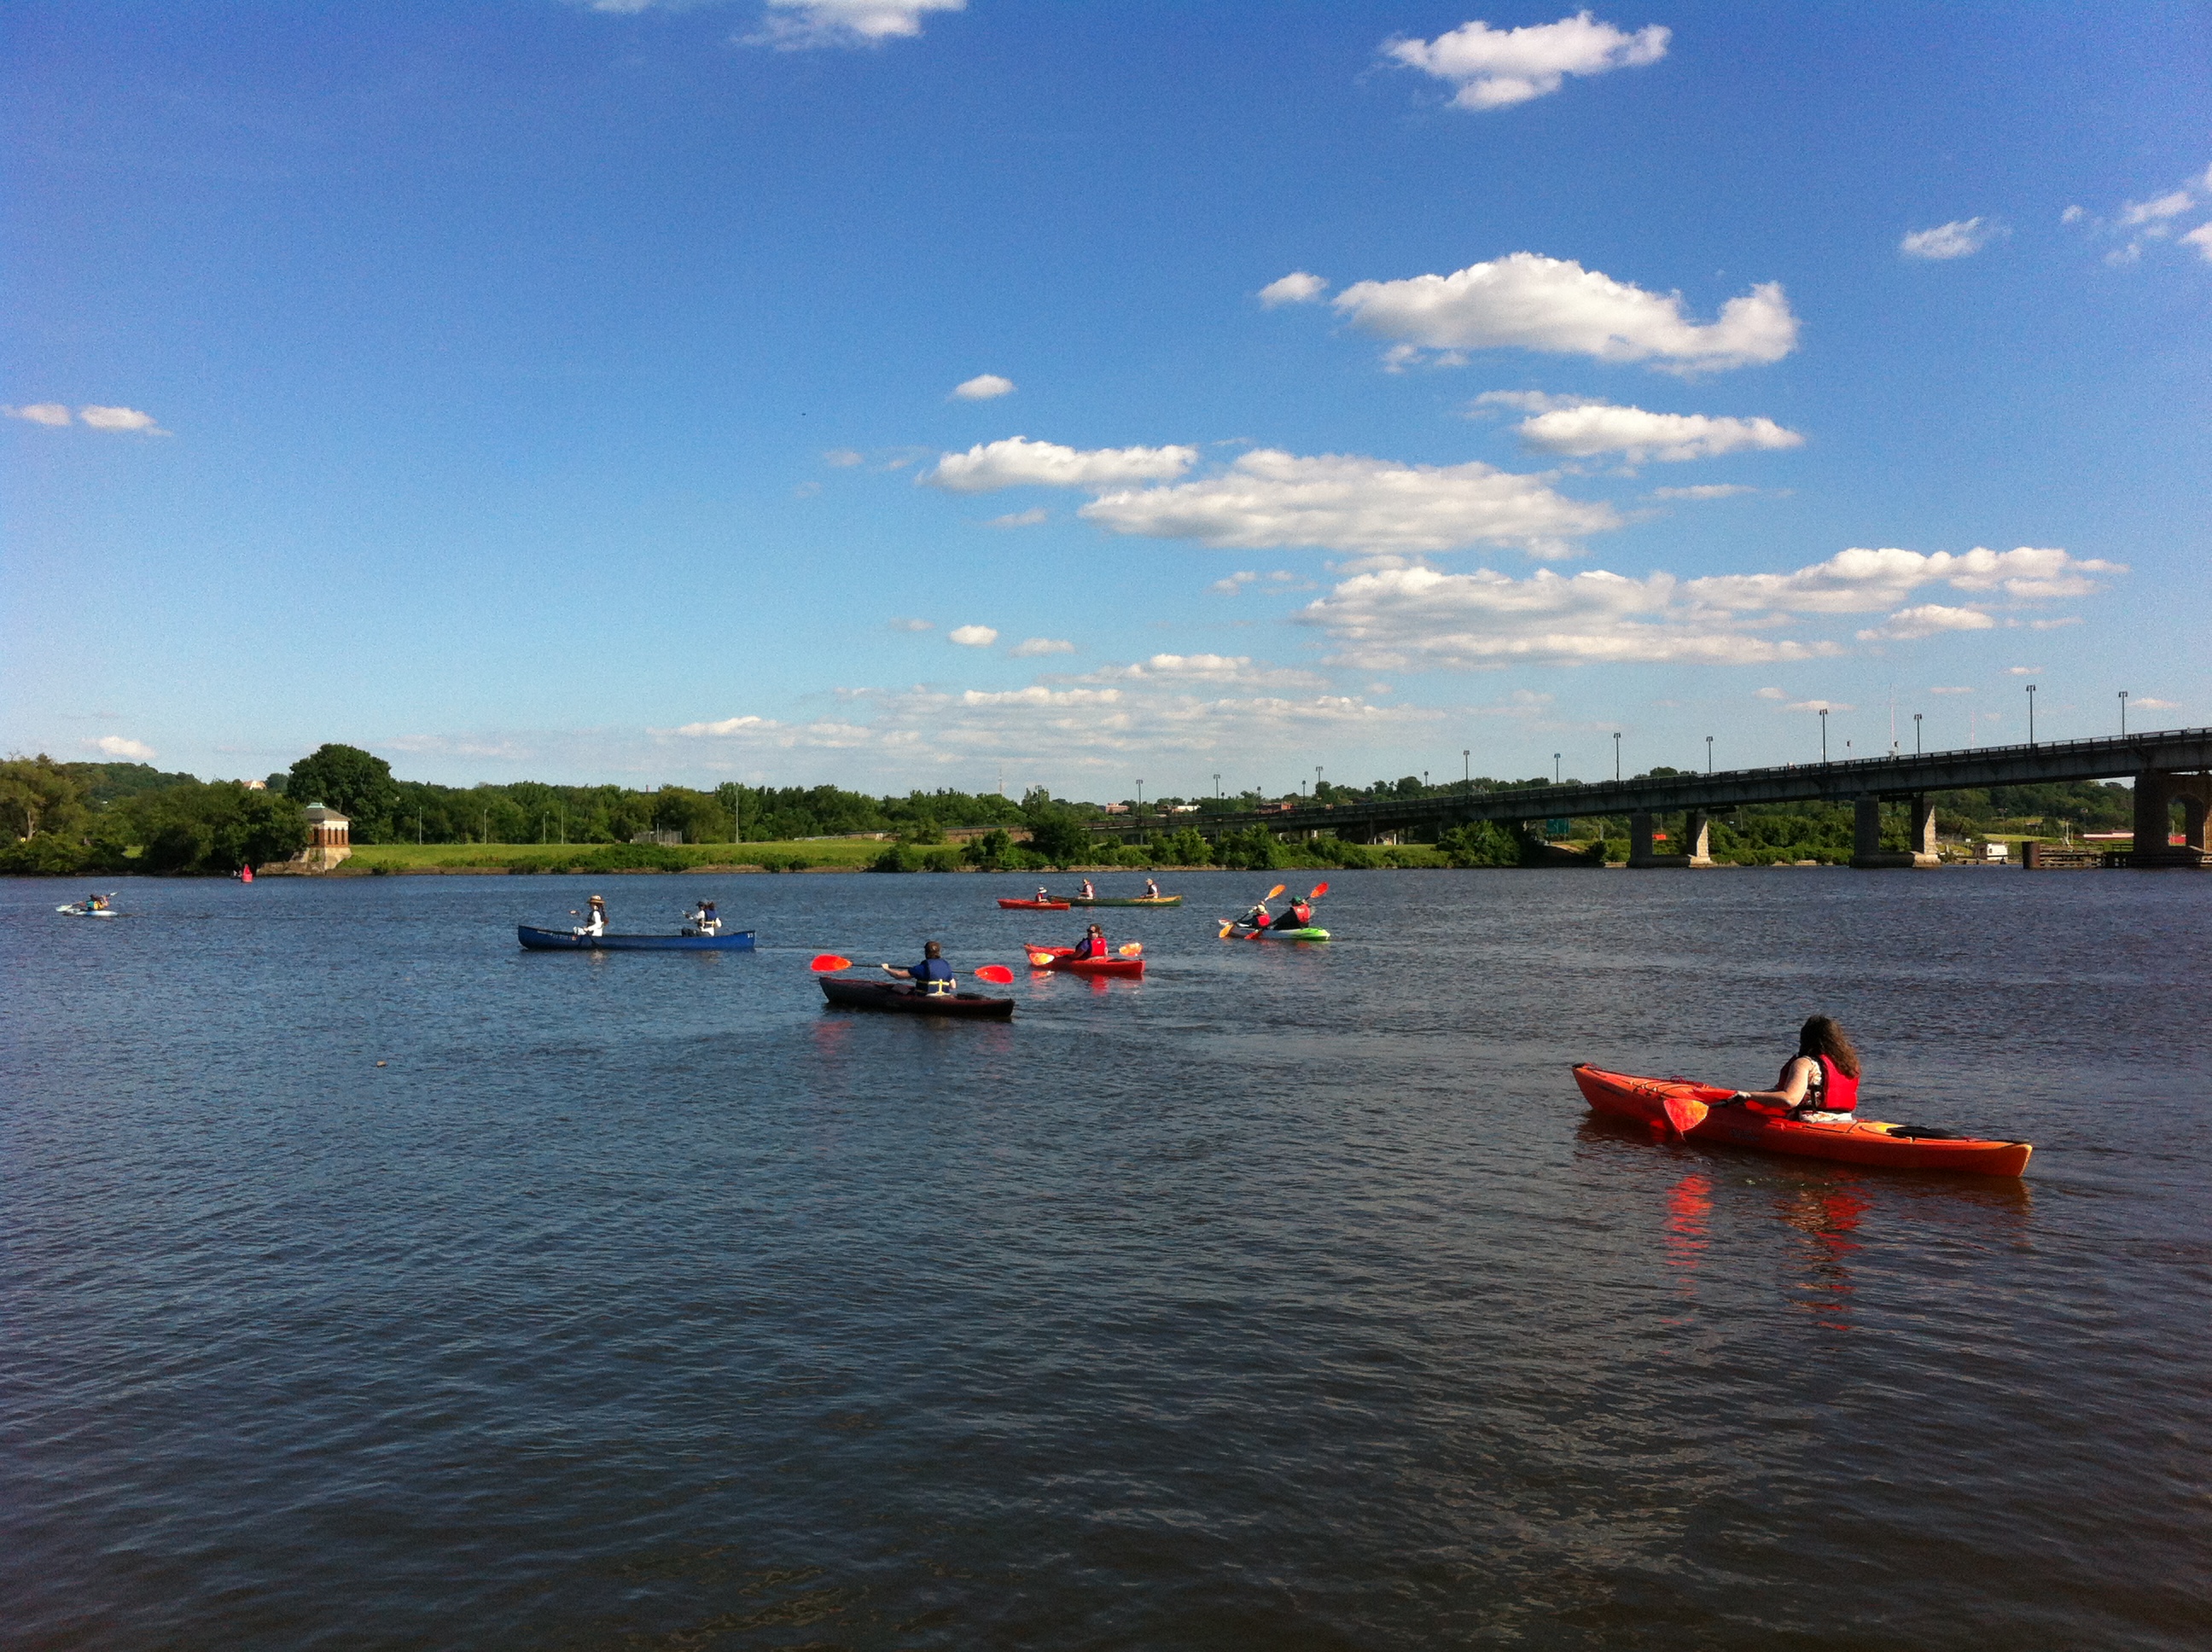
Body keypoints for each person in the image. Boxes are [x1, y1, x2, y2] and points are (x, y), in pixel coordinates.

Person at [1728, 1015, 1862, 1121]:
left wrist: (1749, 1095)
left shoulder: (1805, 1063)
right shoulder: (1847, 1064)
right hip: (1845, 1120)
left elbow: (1789, 1100)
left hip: (1810, 1121)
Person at [882, 939, 958, 996]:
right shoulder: (947, 966)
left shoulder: (923, 967)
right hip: (945, 996)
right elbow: (953, 986)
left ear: (926, 952)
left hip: (927, 998)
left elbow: (898, 975)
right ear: (939, 952)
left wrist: (887, 969)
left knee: (898, 986)